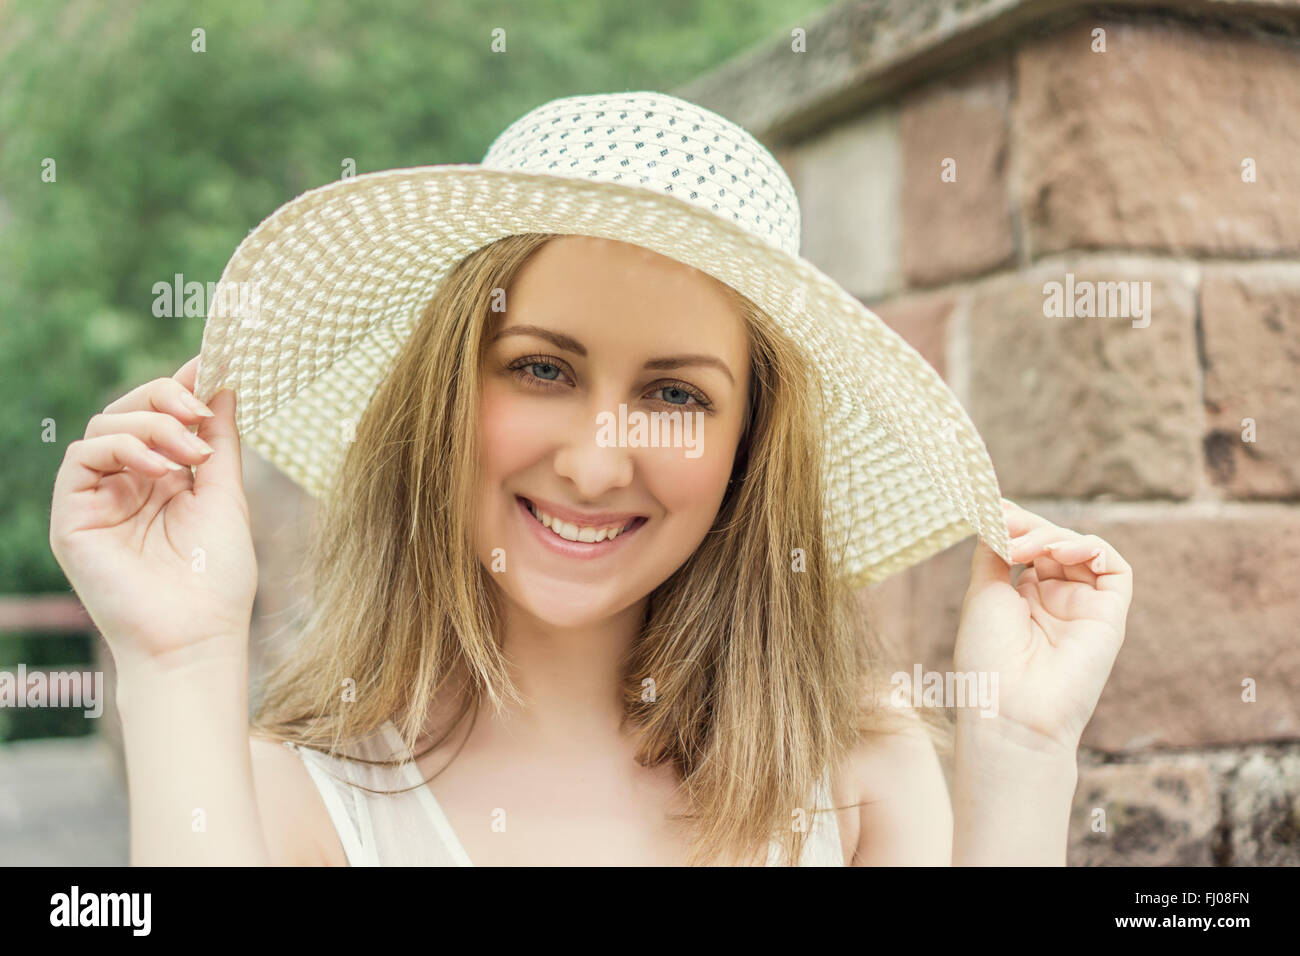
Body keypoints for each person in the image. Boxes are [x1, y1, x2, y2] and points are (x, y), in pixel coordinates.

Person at [48, 91, 1133, 866]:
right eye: (541, 368)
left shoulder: (856, 774)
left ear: (750, 448)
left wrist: (1023, 753)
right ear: (447, 400)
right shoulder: (299, 797)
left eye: (675, 395)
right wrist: (177, 654)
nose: (595, 459)